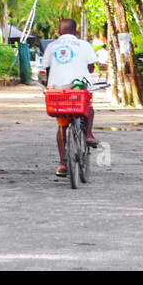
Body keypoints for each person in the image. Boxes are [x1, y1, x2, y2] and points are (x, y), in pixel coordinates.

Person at [42, 18, 100, 177]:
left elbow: (45, 68)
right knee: (89, 109)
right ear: (75, 31)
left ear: (59, 32)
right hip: (79, 90)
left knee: (62, 126)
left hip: (58, 92)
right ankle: (88, 134)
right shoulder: (84, 45)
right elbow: (91, 66)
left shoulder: (52, 46)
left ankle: (62, 164)